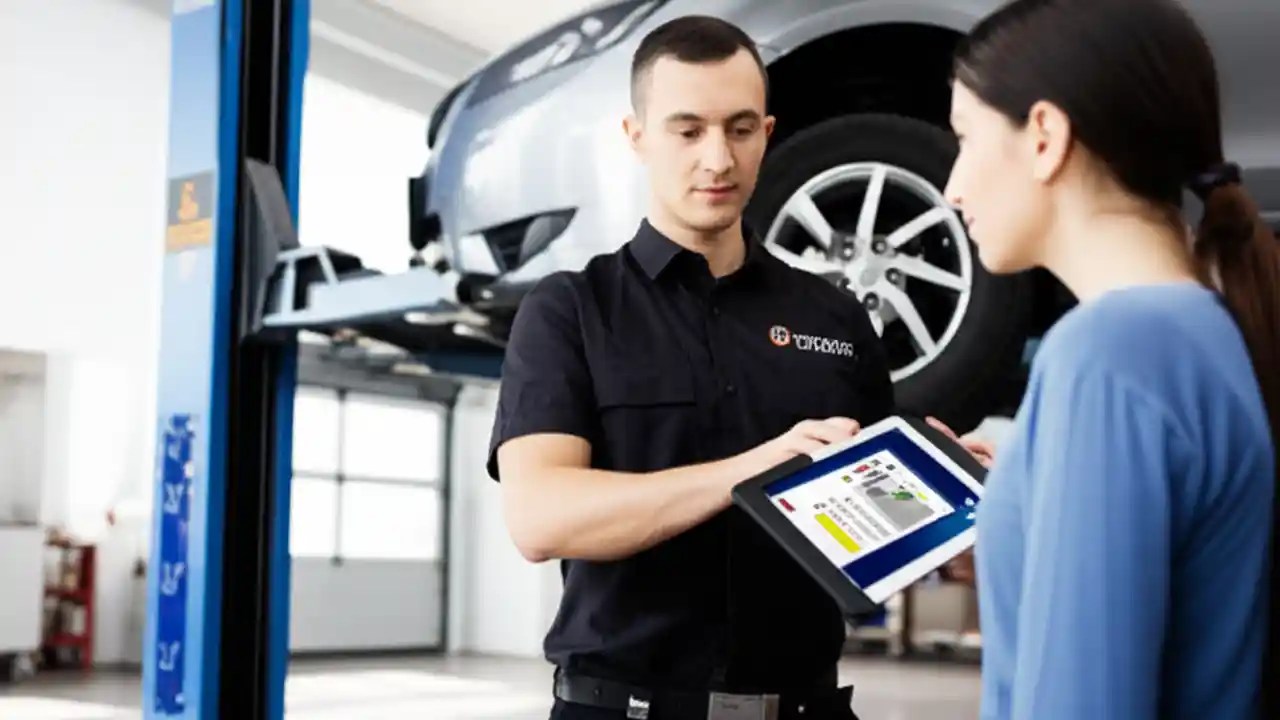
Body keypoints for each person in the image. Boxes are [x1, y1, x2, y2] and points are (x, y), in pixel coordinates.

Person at [487, 15, 897, 720]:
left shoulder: (835, 319)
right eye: (687, 130)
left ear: (767, 135)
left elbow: (872, 523)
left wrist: (949, 488)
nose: (718, 159)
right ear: (636, 137)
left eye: (740, 130)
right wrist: (750, 472)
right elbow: (540, 516)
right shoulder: (571, 311)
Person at [941, 0, 1280, 718]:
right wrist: (1031, 505)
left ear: (1044, 135)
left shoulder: (1107, 353)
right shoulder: (1209, 330)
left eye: (965, 140)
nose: (952, 187)